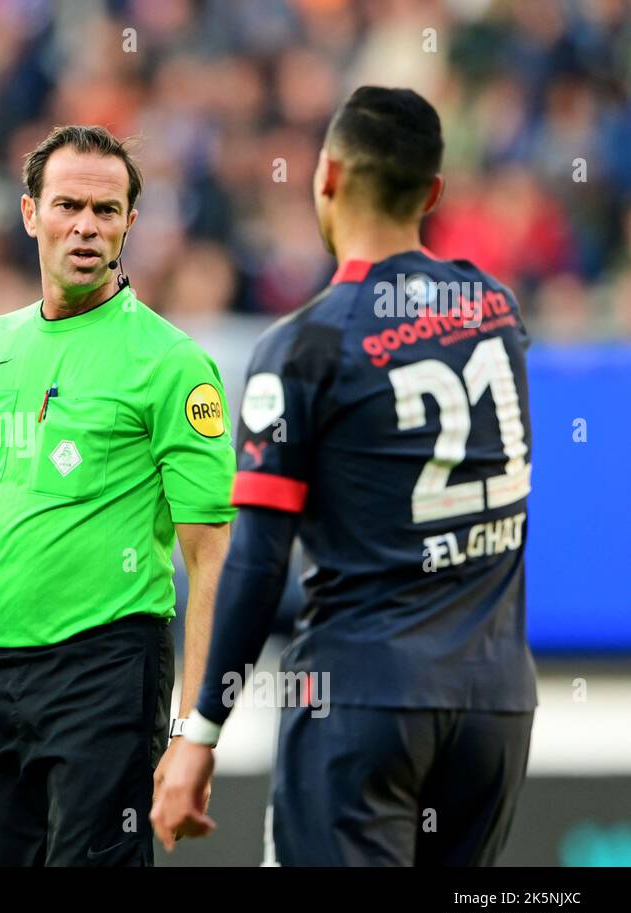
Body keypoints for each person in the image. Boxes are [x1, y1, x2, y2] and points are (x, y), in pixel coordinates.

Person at [152, 87, 537, 866]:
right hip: (497, 702)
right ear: (432, 192)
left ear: (325, 176)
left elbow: (257, 562)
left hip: (361, 698)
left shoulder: (304, 347)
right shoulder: (496, 309)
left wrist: (201, 730)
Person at [0, 125, 237, 866]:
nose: (85, 226)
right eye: (68, 205)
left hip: (111, 668)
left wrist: (192, 734)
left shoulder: (173, 364)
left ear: (130, 224)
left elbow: (212, 562)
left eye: (106, 211)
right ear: (29, 213)